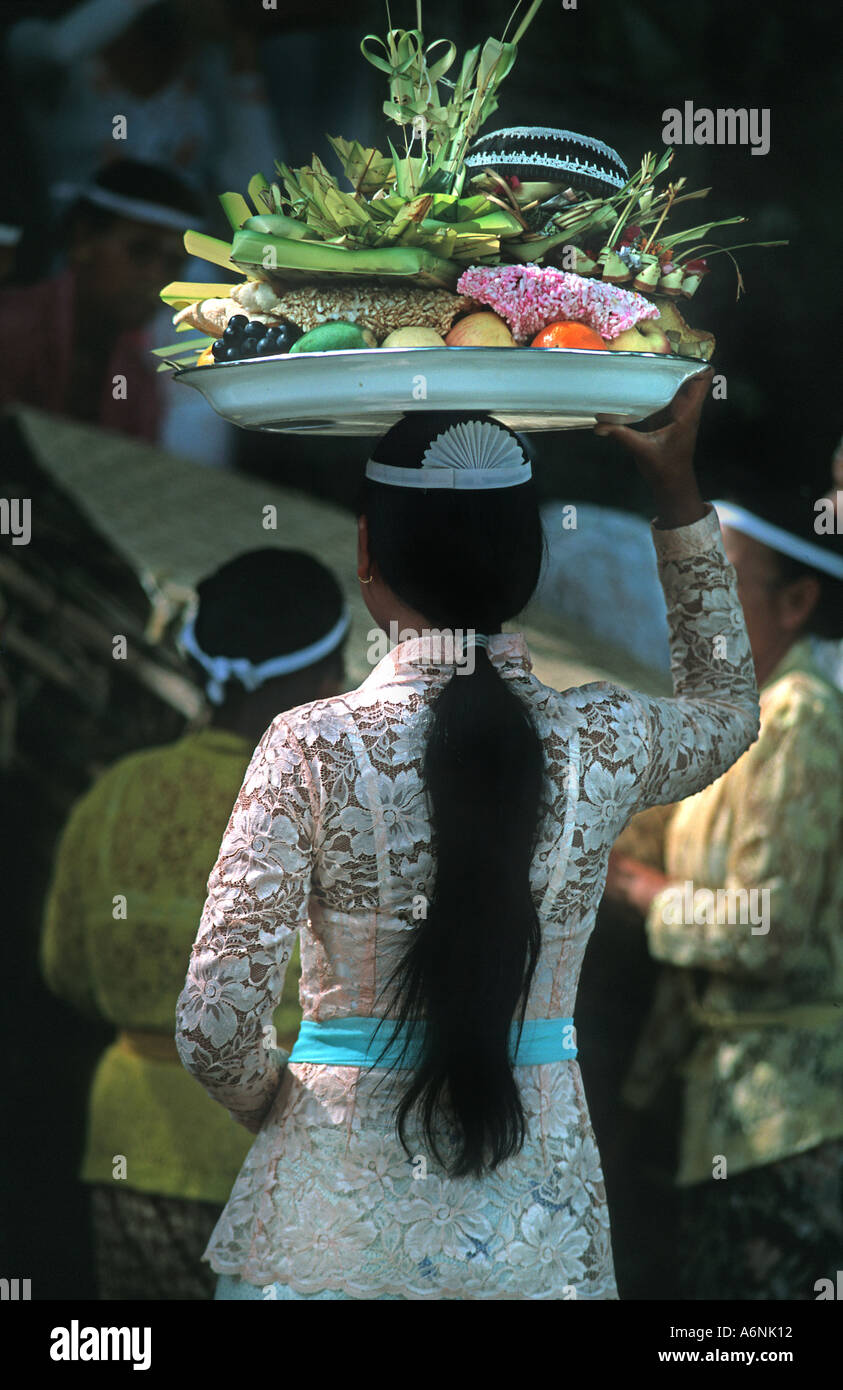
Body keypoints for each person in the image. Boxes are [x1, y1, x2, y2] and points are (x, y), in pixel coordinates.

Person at [174, 375, 760, 1301]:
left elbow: (213, 1029)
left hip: (326, 1234)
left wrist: (302, 1110)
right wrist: (675, 493)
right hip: (536, 1244)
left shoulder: (309, 746)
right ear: (527, 562)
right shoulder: (599, 739)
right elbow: (726, 707)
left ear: (366, 550)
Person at [40, 549, 349, 1299]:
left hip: (126, 1146)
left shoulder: (116, 793)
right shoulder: (324, 810)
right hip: (270, 1156)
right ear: (324, 683)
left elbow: (66, 971)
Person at [606, 489, 843, 1300]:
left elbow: (763, 927)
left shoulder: (798, 720)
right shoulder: (739, 718)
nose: (694, 602)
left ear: (797, 600)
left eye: (722, 578)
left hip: (785, 1116)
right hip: (721, 1106)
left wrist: (639, 891)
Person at [0, 159, 202, 443]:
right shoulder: (9, 331)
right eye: (140, 251)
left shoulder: (139, 385)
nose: (156, 277)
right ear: (83, 240)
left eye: (173, 263)